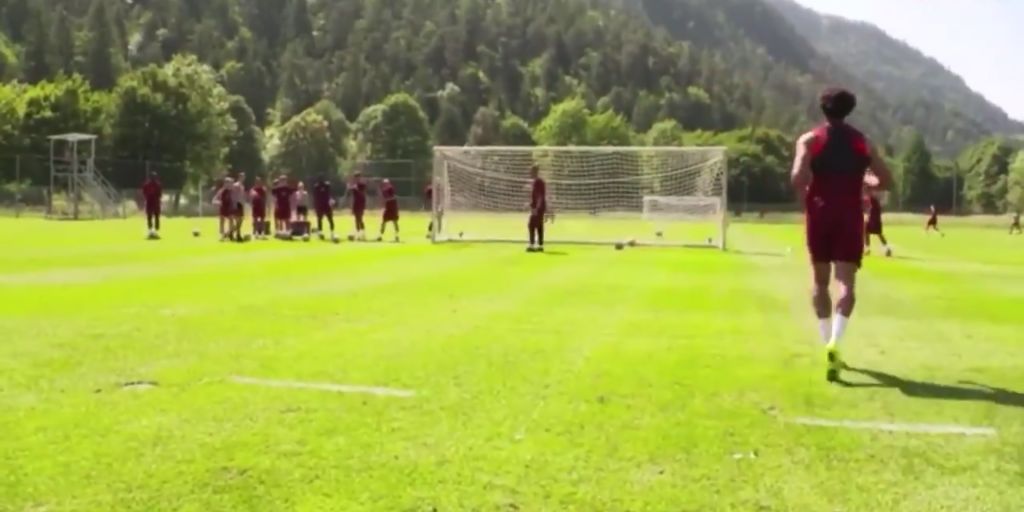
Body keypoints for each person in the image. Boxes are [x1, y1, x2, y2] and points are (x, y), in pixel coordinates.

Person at [790, 88, 893, 383]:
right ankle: (837, 340)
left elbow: (797, 178)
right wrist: (866, 183)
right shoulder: (862, 142)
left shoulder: (810, 139)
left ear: (822, 108)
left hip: (819, 212)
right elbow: (886, 180)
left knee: (820, 282)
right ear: (850, 110)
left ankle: (827, 343)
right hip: (849, 214)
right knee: (846, 283)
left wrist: (810, 186)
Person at [863, 192, 892, 257]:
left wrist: (869, 217)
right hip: (875, 220)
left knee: (876, 234)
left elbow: (871, 208)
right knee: (867, 232)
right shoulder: (873, 201)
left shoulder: (873, 201)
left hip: (874, 220)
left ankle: (887, 249)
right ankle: (868, 249)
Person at [527, 164, 547, 253]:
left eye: (531, 171)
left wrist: (536, 208)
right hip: (540, 208)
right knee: (539, 225)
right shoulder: (538, 182)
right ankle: (540, 246)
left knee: (531, 225)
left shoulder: (538, 182)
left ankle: (532, 245)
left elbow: (540, 196)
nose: (529, 173)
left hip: (538, 208)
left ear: (535, 172)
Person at [348, 171, 368, 240]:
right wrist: (349, 187)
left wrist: (356, 189)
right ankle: (358, 234)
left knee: (360, 218)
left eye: (358, 177)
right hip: (355, 203)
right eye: (355, 178)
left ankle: (363, 234)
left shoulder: (362, 185)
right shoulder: (354, 185)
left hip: (361, 203)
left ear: (360, 177)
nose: (357, 179)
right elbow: (351, 192)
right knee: (356, 219)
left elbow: (362, 194)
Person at [232, 173, 247, 241]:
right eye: (242, 177)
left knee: (240, 221)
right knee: (238, 221)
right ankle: (238, 235)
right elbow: (234, 195)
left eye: (244, 177)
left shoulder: (242, 186)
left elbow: (242, 196)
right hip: (237, 204)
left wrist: (243, 204)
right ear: (239, 177)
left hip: (241, 204)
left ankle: (231, 233)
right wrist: (234, 204)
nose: (243, 178)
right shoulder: (236, 185)